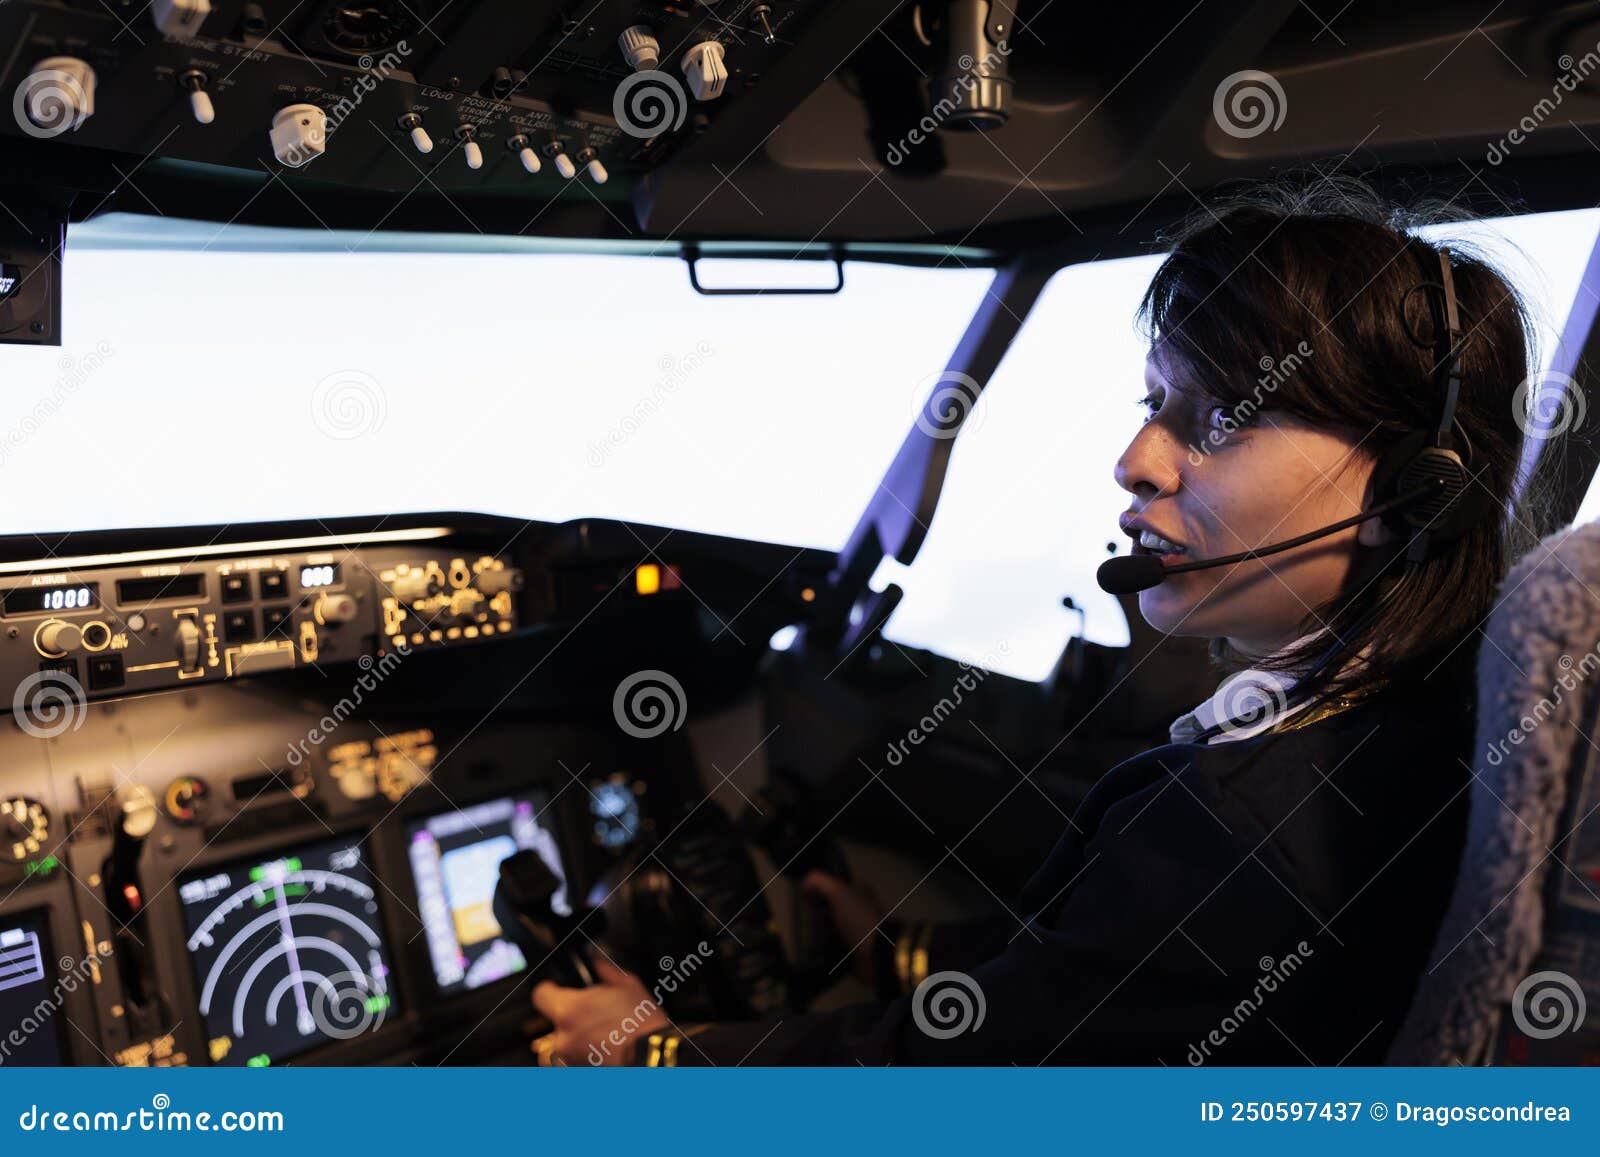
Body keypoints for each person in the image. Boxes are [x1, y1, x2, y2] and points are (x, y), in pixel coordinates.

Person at [531, 178, 1552, 1066]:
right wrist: (899, 950)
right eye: (1156, 402)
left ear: (1414, 491)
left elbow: (954, 1079)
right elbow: (1096, 983)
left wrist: (653, 1053)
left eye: (1217, 417)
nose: (1137, 459)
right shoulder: (1432, 718)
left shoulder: (1252, 823)